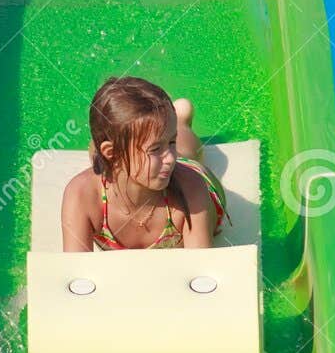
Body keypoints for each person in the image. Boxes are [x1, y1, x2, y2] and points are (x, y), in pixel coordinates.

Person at [61, 76, 228, 252]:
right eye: (155, 149)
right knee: (108, 154)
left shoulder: (192, 190)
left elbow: (199, 270)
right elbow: (76, 271)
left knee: (184, 150)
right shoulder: (81, 195)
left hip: (185, 172)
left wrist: (164, 147)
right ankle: (114, 142)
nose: (170, 157)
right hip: (124, 161)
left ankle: (180, 118)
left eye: (172, 141)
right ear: (112, 153)